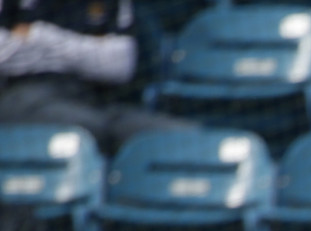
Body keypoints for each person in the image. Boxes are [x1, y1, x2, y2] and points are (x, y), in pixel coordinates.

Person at [0, 0, 190, 154]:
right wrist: (88, 50)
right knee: (82, 126)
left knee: (180, 137)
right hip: (26, 98)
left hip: (98, 103)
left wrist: (40, 36)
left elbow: (119, 64)